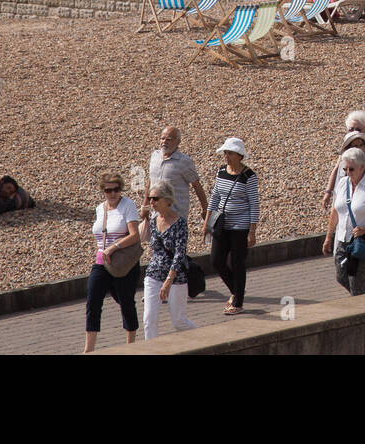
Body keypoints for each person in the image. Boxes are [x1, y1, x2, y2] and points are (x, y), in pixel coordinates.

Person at [85, 172, 141, 352]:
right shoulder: (100, 208)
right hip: (102, 261)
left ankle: (130, 346)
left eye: (116, 189)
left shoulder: (128, 205)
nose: (113, 194)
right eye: (108, 190)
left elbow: (134, 235)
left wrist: (114, 247)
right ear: (103, 191)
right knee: (93, 301)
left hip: (124, 262)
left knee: (126, 302)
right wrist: (105, 250)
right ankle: (89, 348)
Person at [324, 147, 365, 295]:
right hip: (342, 240)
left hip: (363, 242)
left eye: (351, 169)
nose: (348, 173)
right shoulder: (342, 183)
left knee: (358, 287)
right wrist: (328, 237)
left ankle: (363, 307)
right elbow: (335, 211)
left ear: (362, 167)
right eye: (345, 169)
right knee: (341, 277)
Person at [206, 137, 259, 315]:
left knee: (237, 263)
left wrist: (252, 232)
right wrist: (207, 222)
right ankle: (236, 291)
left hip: (240, 225)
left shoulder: (249, 176)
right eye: (225, 153)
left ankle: (238, 302)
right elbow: (214, 197)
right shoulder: (221, 171)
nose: (226, 156)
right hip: (222, 223)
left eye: (229, 153)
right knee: (216, 260)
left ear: (239, 155)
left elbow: (254, 204)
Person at [139, 181, 197, 340]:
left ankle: (204, 338)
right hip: (153, 274)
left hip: (176, 277)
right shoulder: (153, 220)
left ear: (167, 199)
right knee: (149, 320)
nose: (151, 202)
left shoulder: (180, 222)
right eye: (150, 198)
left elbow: (180, 253)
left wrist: (168, 281)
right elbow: (154, 248)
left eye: (156, 198)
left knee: (179, 322)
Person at [147, 126, 208, 237]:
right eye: (162, 138)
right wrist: (145, 206)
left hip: (176, 217)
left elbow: (196, 185)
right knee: (157, 250)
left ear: (178, 142)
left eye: (169, 139)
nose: (164, 142)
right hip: (155, 215)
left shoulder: (184, 162)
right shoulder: (154, 156)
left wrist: (205, 209)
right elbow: (150, 181)